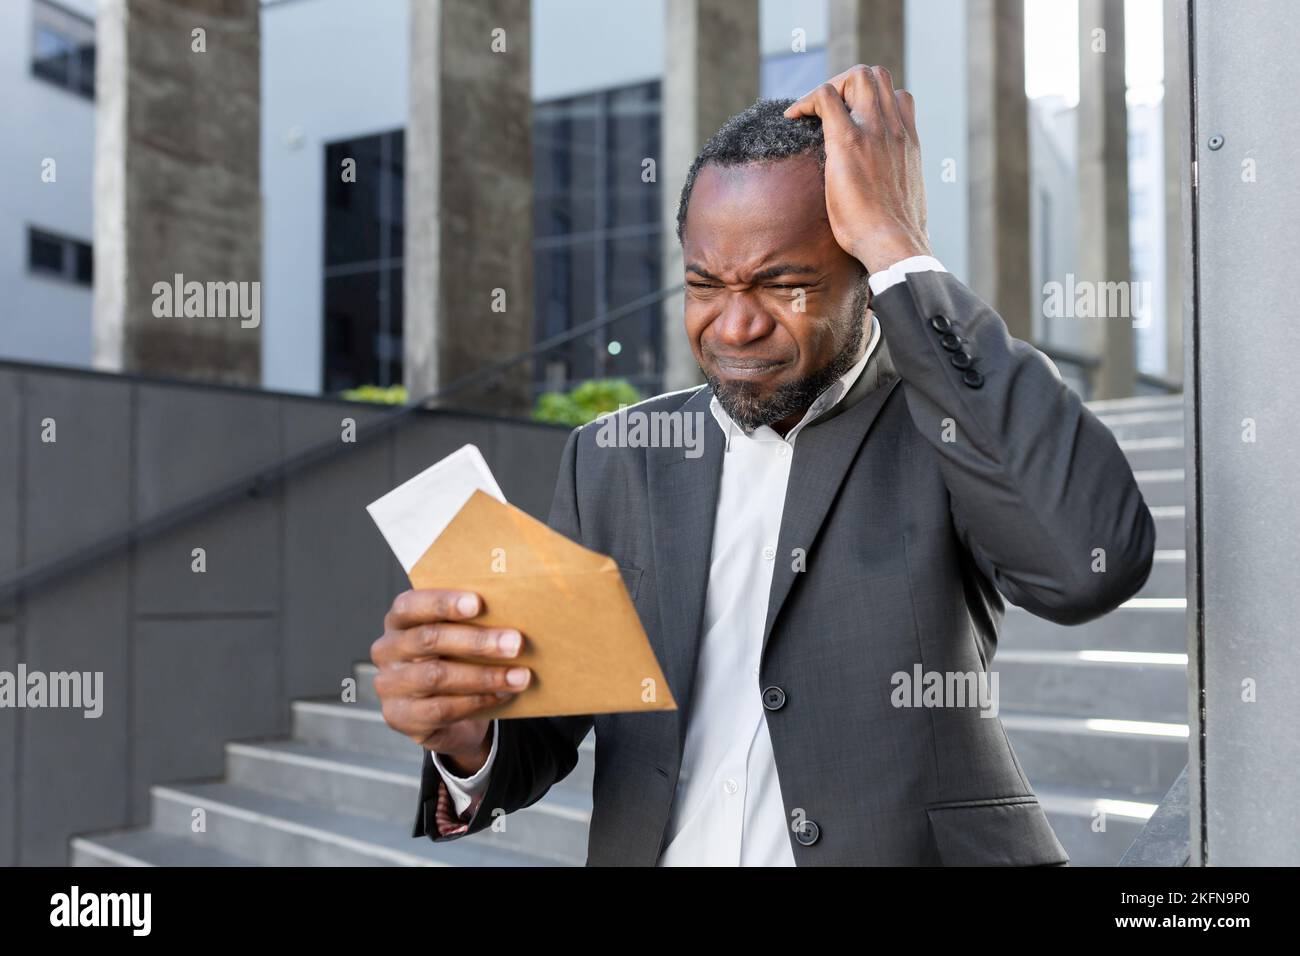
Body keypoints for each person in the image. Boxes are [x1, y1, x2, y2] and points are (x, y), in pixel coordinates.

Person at [370, 66, 1155, 865]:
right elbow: (541, 728)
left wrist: (899, 240)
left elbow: (1086, 565)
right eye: (705, 284)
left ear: (863, 274)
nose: (735, 325)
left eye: (785, 285)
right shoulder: (612, 458)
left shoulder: (950, 424)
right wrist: (467, 737)